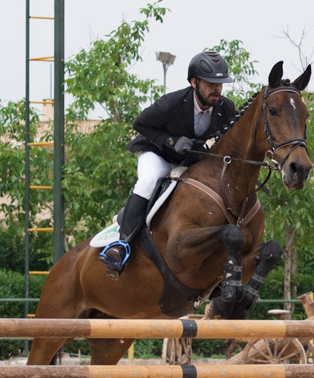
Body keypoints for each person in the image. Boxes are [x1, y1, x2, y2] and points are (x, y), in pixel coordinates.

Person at [100, 50, 238, 278]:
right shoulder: (172, 103)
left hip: (190, 162)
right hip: (157, 154)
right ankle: (122, 246)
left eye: (220, 83)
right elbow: (140, 123)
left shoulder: (226, 108)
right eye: (211, 83)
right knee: (149, 180)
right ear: (194, 82)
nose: (217, 89)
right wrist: (170, 141)